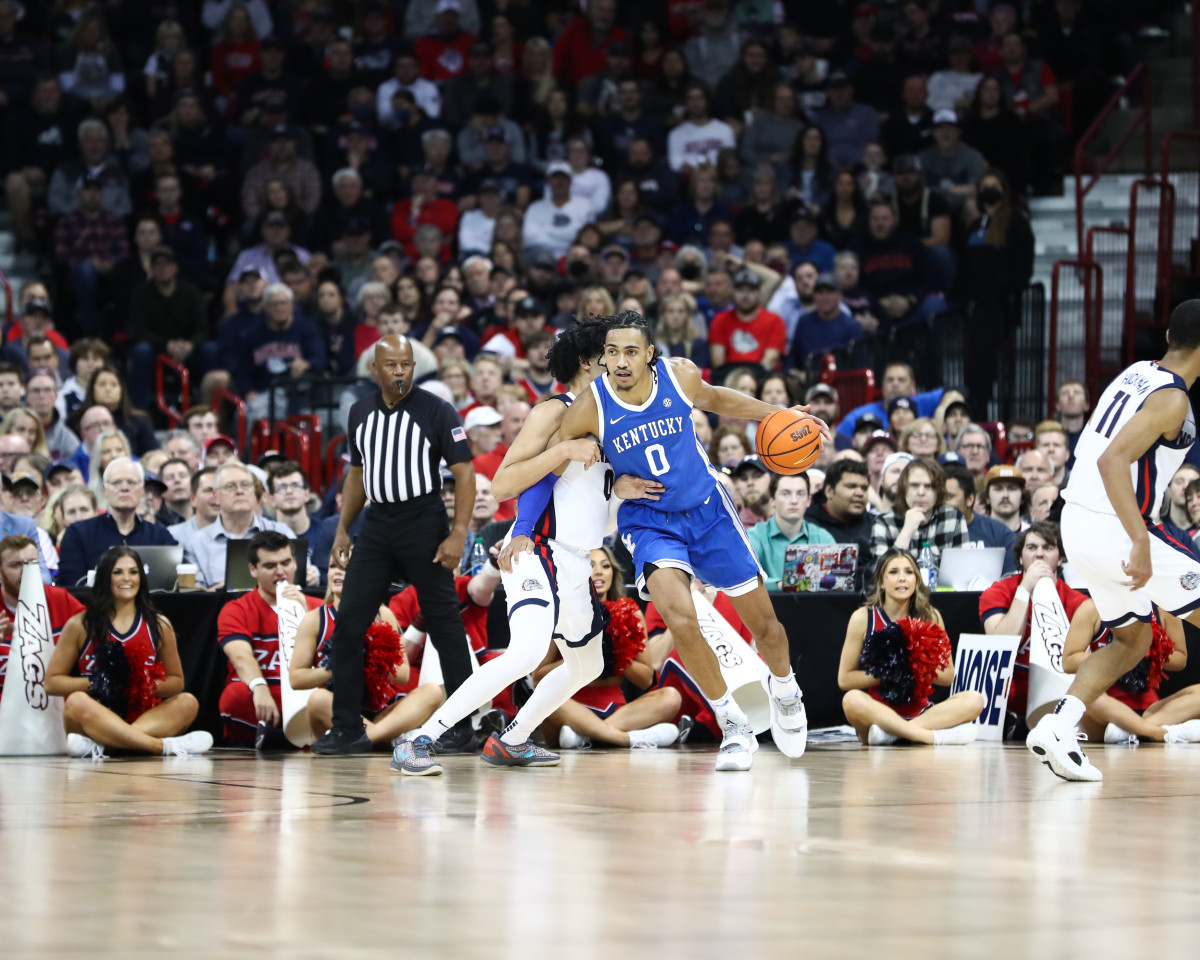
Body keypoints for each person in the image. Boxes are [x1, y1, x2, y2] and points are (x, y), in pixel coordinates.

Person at [555, 310, 828, 771]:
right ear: (603, 358)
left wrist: (777, 414)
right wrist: (611, 485)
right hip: (649, 520)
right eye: (612, 352)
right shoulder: (589, 407)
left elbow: (717, 398)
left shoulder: (679, 376)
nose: (620, 361)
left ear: (650, 356)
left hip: (709, 513)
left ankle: (784, 688)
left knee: (768, 628)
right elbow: (564, 466)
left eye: (630, 352)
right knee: (681, 619)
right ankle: (734, 726)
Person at [392, 318, 628, 773]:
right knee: (526, 652)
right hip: (536, 548)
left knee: (588, 665)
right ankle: (419, 740)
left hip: (577, 558)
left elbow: (585, 488)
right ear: (584, 361)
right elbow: (502, 484)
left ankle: (513, 739)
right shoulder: (553, 410)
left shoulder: (606, 418)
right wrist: (556, 460)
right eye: (609, 354)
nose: (620, 363)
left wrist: (627, 486)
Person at [1028, 301, 1200, 780]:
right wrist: (1139, 540)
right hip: (1118, 526)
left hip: (1078, 523)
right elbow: (1113, 462)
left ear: (1167, 336)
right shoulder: (1173, 399)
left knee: (1132, 637)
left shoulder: (1138, 372)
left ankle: (1059, 727)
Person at [312, 336, 478, 756]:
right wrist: (343, 530)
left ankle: (460, 725)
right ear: (375, 369)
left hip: (424, 521)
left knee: (444, 622)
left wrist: (458, 532)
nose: (401, 371)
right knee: (348, 622)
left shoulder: (437, 410)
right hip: (378, 524)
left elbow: (464, 474)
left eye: (406, 364)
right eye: (392, 365)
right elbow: (356, 475)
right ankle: (347, 726)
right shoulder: (360, 411)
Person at [45, 546, 210, 758]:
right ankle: (162, 747)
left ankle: (105, 747)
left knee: (188, 702)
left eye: (134, 572)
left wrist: (140, 684)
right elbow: (52, 682)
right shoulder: (81, 624)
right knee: (76, 702)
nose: (127, 578)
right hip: (96, 716)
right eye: (118, 572)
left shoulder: (159, 625)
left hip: (145, 717)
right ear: (105, 577)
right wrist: (101, 683)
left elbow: (176, 681)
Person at [291, 547, 441, 747]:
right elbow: (296, 678)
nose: (338, 571)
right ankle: (378, 738)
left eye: (346, 567)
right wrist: (336, 668)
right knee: (317, 698)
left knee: (433, 692)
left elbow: (403, 674)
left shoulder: (383, 615)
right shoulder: (315, 619)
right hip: (336, 712)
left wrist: (372, 660)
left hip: (378, 714)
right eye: (333, 566)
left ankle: (369, 737)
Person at [542, 546, 683, 750]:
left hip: (617, 711)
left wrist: (617, 654)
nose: (599, 571)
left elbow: (645, 679)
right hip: (569, 709)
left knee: (671, 697)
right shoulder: (561, 613)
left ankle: (586, 736)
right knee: (544, 697)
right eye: (590, 566)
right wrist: (578, 657)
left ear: (612, 573)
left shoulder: (631, 614)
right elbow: (538, 678)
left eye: (605, 566)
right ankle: (627, 740)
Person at [839, 548, 984, 745]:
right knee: (851, 700)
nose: (902, 578)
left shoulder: (931, 617)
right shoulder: (863, 618)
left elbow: (948, 675)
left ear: (916, 580)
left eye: (909, 572)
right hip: (878, 713)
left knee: (974, 700)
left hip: (922, 712)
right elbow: (845, 679)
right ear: (881, 582)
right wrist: (889, 672)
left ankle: (893, 734)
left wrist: (917, 666)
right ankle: (931, 737)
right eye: (893, 572)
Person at [981, 521, 1089, 733]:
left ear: (1060, 559)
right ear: (1021, 558)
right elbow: (1002, 644)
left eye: (1047, 548)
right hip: (1008, 703)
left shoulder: (1079, 603)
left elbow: (1084, 665)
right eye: (1031, 548)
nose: (1039, 554)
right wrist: (1025, 588)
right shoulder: (998, 592)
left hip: (1057, 699)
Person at [216, 531, 322, 747]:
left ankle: (279, 739)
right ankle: (293, 739)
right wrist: (259, 687)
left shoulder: (317, 607)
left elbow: (330, 660)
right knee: (235, 695)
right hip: (263, 691)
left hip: (305, 690)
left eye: (285, 563)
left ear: (295, 562)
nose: (281, 572)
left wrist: (306, 614)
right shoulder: (236, 609)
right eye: (270, 566)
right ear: (253, 569)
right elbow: (240, 656)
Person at [1063, 603, 1200, 745]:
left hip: (1149, 709)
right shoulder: (1092, 608)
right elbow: (1069, 660)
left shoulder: (1164, 609)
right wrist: (1119, 655)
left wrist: (1150, 654)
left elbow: (1181, 658)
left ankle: (1130, 731)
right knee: (1084, 694)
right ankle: (1157, 733)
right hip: (1104, 713)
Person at [56, 458, 176, 587]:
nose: (124, 488)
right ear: (105, 490)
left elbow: (176, 579)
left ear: (142, 489)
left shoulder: (160, 535)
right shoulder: (78, 534)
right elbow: (71, 585)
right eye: (116, 482)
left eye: (131, 482)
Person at [0, 535, 83, 704]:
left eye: (31, 563)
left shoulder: (60, 599)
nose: (26, 571)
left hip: (59, 705)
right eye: (15, 565)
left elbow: (99, 633)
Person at [870, 457, 969, 565]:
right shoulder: (884, 522)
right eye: (914, 485)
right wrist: (906, 532)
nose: (921, 492)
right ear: (904, 489)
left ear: (938, 491)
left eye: (929, 486)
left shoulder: (953, 517)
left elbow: (963, 569)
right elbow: (879, 574)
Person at [747, 472, 836, 586]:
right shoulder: (754, 537)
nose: (794, 501)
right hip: (768, 603)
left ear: (808, 500)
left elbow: (835, 581)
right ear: (772, 500)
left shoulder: (823, 538)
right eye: (786, 494)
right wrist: (780, 585)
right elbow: (743, 580)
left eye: (800, 494)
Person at [942, 462, 1018, 574]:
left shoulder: (1000, 533)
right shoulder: (928, 532)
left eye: (949, 497)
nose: (942, 503)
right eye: (939, 497)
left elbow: (1010, 578)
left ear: (969, 499)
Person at [707, 269, 785, 372]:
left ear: (759, 293)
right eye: (740, 290)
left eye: (751, 290)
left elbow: (771, 359)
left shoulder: (775, 320)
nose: (745, 295)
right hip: (728, 379)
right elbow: (717, 362)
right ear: (733, 292)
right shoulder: (720, 320)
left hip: (762, 378)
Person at [983, 462, 1028, 533]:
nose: (1005, 495)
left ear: (1022, 497)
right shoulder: (974, 534)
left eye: (1012, 489)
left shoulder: (1034, 535)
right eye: (998, 489)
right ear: (987, 497)